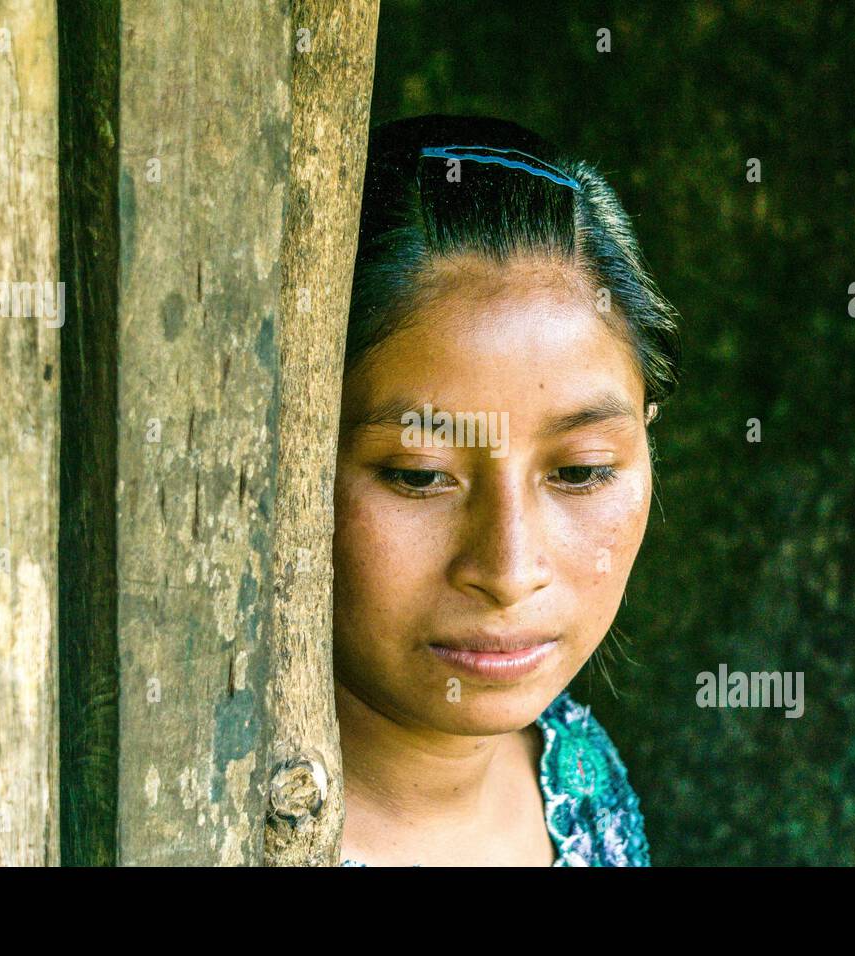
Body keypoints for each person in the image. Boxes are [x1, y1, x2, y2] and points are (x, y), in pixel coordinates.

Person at [332, 114, 681, 866]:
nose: (509, 569)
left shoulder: (575, 775)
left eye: (582, 471)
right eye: (419, 476)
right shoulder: (192, 821)